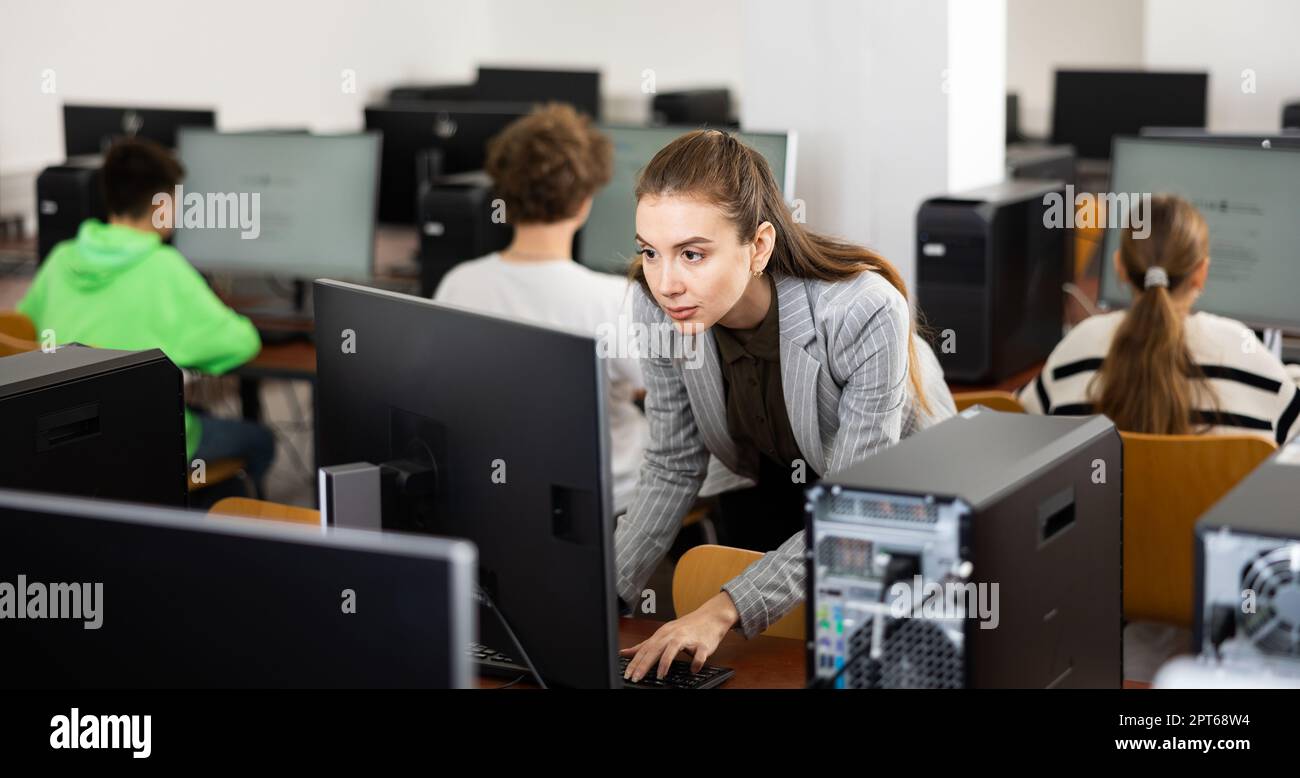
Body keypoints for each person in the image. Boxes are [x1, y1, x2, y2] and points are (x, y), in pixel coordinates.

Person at [616, 129, 955, 682]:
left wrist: (723, 609)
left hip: (891, 502)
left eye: (692, 254)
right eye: (650, 252)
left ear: (760, 247)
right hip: (776, 477)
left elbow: (852, 510)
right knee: (751, 668)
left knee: (856, 668)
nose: (666, 283)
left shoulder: (862, 311)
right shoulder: (655, 305)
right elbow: (673, 464)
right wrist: (603, 594)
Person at [18, 137, 275, 491]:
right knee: (260, 440)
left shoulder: (61, 258)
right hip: (146, 443)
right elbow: (241, 344)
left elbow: (19, 334)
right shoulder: (162, 267)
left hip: (64, 448)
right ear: (163, 205)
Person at [434, 103, 649, 513]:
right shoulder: (613, 299)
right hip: (607, 499)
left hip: (496, 493)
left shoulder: (459, 283)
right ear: (585, 200)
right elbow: (664, 389)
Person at [1019, 193, 1300, 442]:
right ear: (1201, 273)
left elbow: (1017, 417)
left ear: (1120, 268)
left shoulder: (1078, 347)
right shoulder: (1243, 352)